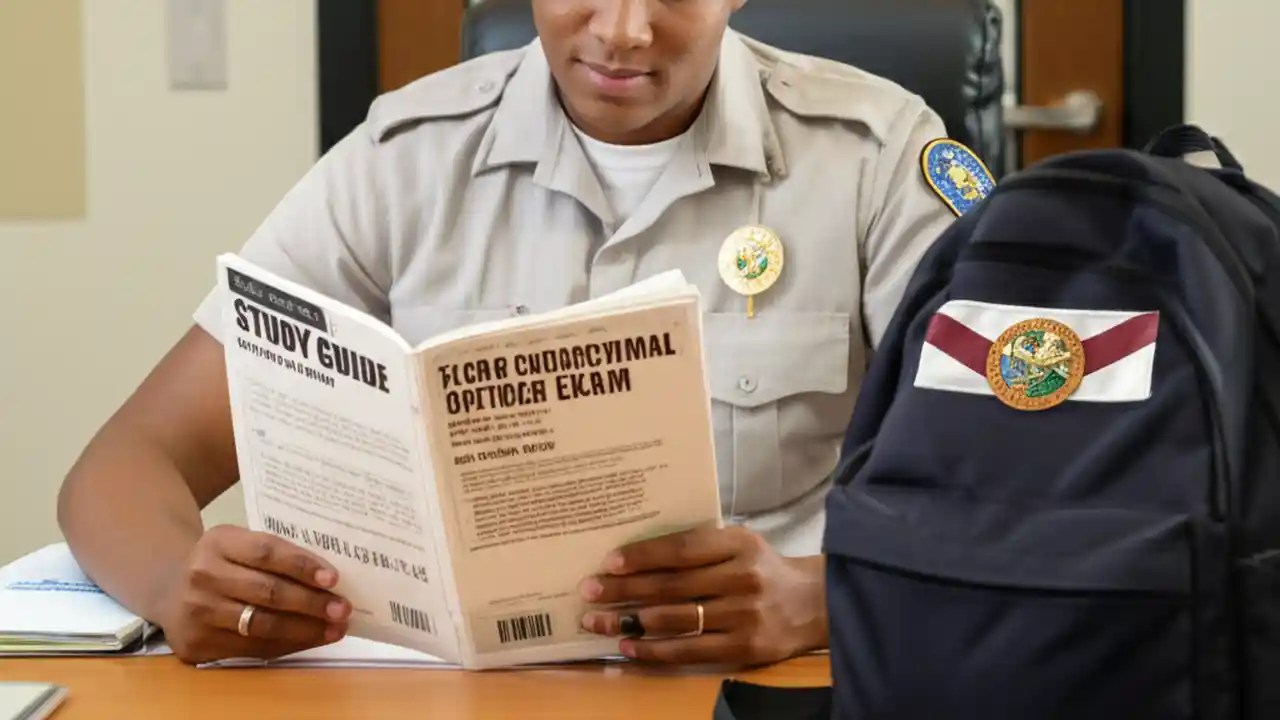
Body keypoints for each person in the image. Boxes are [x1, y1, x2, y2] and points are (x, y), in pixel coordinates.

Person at [58, 0, 969, 667]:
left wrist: (820, 600)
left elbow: (1020, 488)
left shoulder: (875, 157)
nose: (624, 30)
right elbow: (125, 465)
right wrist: (175, 583)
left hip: (760, 692)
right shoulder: (403, 160)